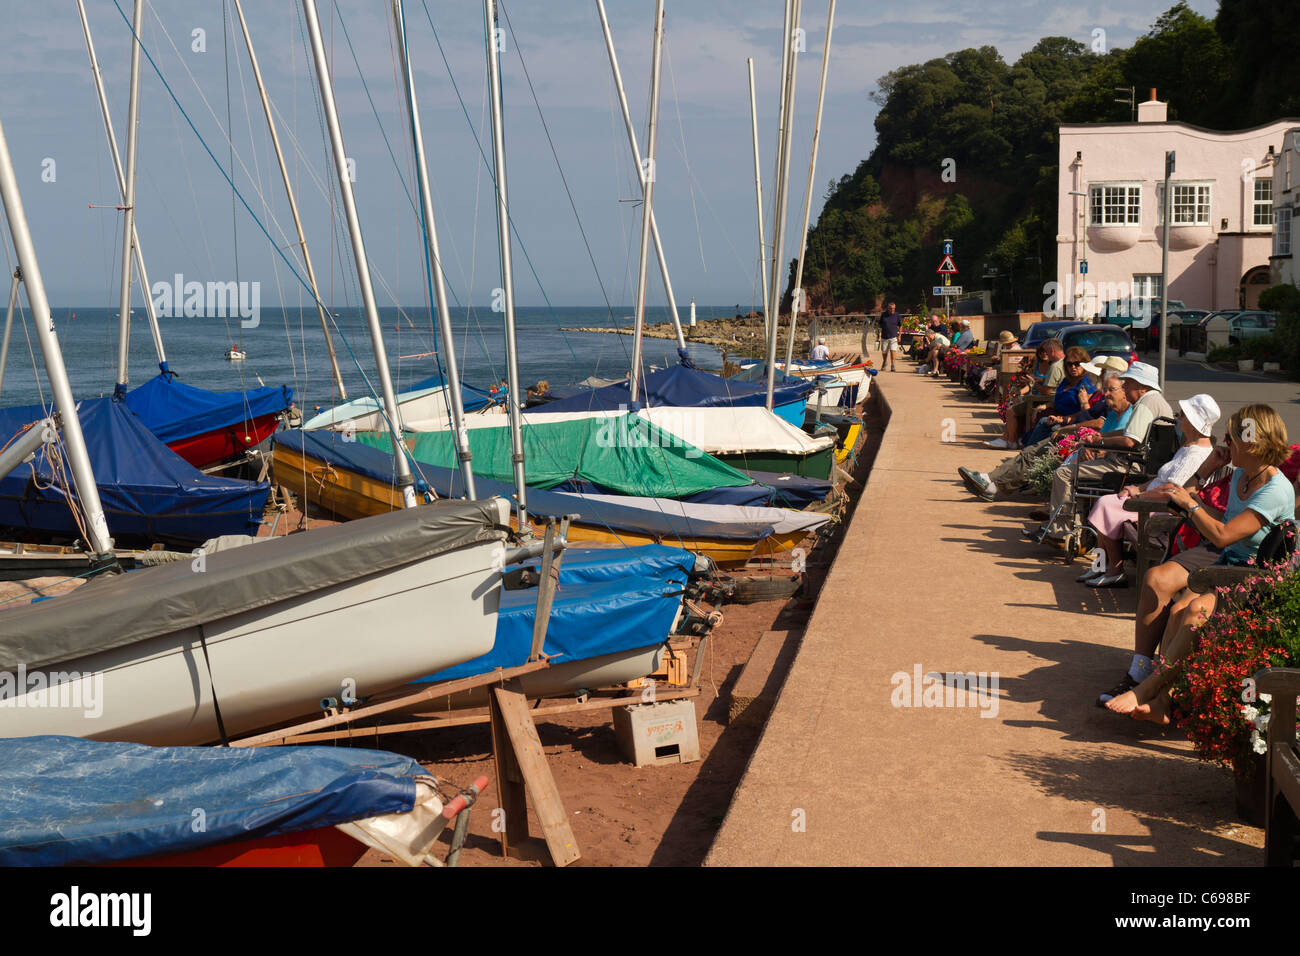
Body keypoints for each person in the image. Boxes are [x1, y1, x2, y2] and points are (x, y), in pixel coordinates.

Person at [1098, 403, 1296, 708]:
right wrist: (1205, 472)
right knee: (1156, 578)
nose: (1225, 444)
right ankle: (1141, 675)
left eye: (1230, 439)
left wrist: (1191, 507)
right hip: (1223, 555)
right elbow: (1199, 503)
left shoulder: (1273, 489)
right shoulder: (1243, 472)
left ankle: (1159, 695)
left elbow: (1222, 532)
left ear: (1252, 442)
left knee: (1184, 611)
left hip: (1246, 568)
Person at [1079, 393, 1221, 588]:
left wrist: (1139, 494)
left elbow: (1173, 490)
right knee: (1106, 504)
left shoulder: (1197, 454)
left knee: (1105, 505)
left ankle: (1114, 569)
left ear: (1193, 421)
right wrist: (1137, 488)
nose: (1178, 418)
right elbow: (1162, 479)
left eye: (1182, 415)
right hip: (1150, 501)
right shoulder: (1189, 447)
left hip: (1160, 508)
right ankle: (1101, 565)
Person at [1029, 361, 1174, 544]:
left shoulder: (1145, 404)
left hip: (1129, 466)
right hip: (1139, 463)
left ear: (1142, 387)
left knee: (1064, 473)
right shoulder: (1155, 401)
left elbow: (1129, 441)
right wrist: (1100, 438)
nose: (1125, 387)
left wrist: (1101, 442)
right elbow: (1129, 434)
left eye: (1128, 383)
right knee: (1077, 466)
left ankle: (1061, 533)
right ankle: (1076, 532)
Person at [959, 368, 1132, 501]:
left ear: (1124, 390)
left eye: (1111, 389)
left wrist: (1073, 423)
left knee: (1039, 452)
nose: (1106, 391)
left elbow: (1103, 429)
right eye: (1105, 386)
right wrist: (1065, 421)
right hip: (1080, 438)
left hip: (1086, 444)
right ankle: (991, 481)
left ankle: (994, 484)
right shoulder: (1109, 406)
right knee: (1033, 449)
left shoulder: (1116, 407)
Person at [985, 339, 1065, 448]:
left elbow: (1046, 391)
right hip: (1051, 399)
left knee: (1011, 410)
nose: (1045, 355)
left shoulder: (1055, 366)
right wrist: (1038, 381)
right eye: (1042, 352)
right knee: (1014, 403)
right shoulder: (1063, 363)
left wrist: (1032, 383)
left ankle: (1011, 441)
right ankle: (1007, 438)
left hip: (1046, 401)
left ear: (1051, 350)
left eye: (1046, 352)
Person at [1019, 346, 1097, 446]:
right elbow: (1059, 400)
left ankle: (1027, 454)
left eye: (1077, 364)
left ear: (1084, 364)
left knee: (1045, 424)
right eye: (1069, 364)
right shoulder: (1067, 380)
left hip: (1072, 422)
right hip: (1057, 417)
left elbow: (1086, 412)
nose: (1073, 367)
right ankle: (1027, 452)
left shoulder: (1086, 383)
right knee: (1040, 421)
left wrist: (1063, 419)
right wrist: (1044, 406)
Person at [878, 302, 901, 371]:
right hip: (884, 336)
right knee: (884, 352)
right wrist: (878, 334)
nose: (892, 310)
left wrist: (899, 335)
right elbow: (879, 325)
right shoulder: (883, 314)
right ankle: (885, 362)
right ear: (888, 308)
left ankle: (893, 365)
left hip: (893, 336)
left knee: (893, 351)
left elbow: (900, 326)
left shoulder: (897, 315)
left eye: (893, 308)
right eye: (891, 308)